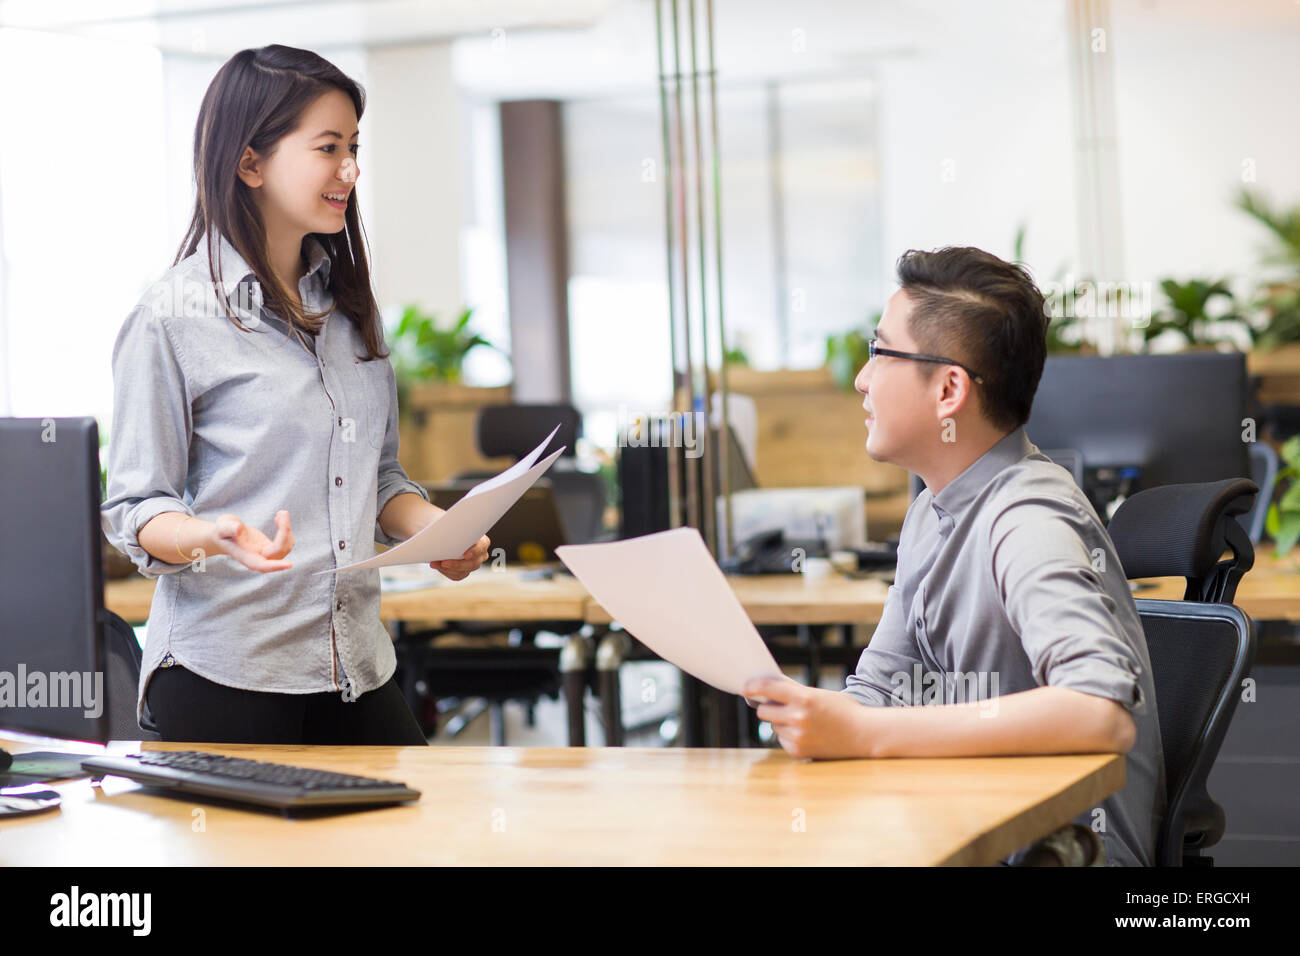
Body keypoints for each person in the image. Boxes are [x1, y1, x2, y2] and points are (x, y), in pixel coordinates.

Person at [101, 45, 489, 745]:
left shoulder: (347, 312)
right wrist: (208, 534)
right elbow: (135, 507)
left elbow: (381, 480)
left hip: (357, 670)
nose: (351, 170)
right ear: (251, 163)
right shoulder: (173, 316)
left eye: (355, 147)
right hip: (224, 674)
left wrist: (439, 532)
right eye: (329, 148)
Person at [743, 247, 1165, 866]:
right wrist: (816, 715)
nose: (862, 379)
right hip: (971, 825)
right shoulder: (932, 509)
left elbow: (1099, 711)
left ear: (948, 389)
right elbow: (880, 688)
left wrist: (863, 734)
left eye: (879, 353)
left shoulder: (1027, 517)